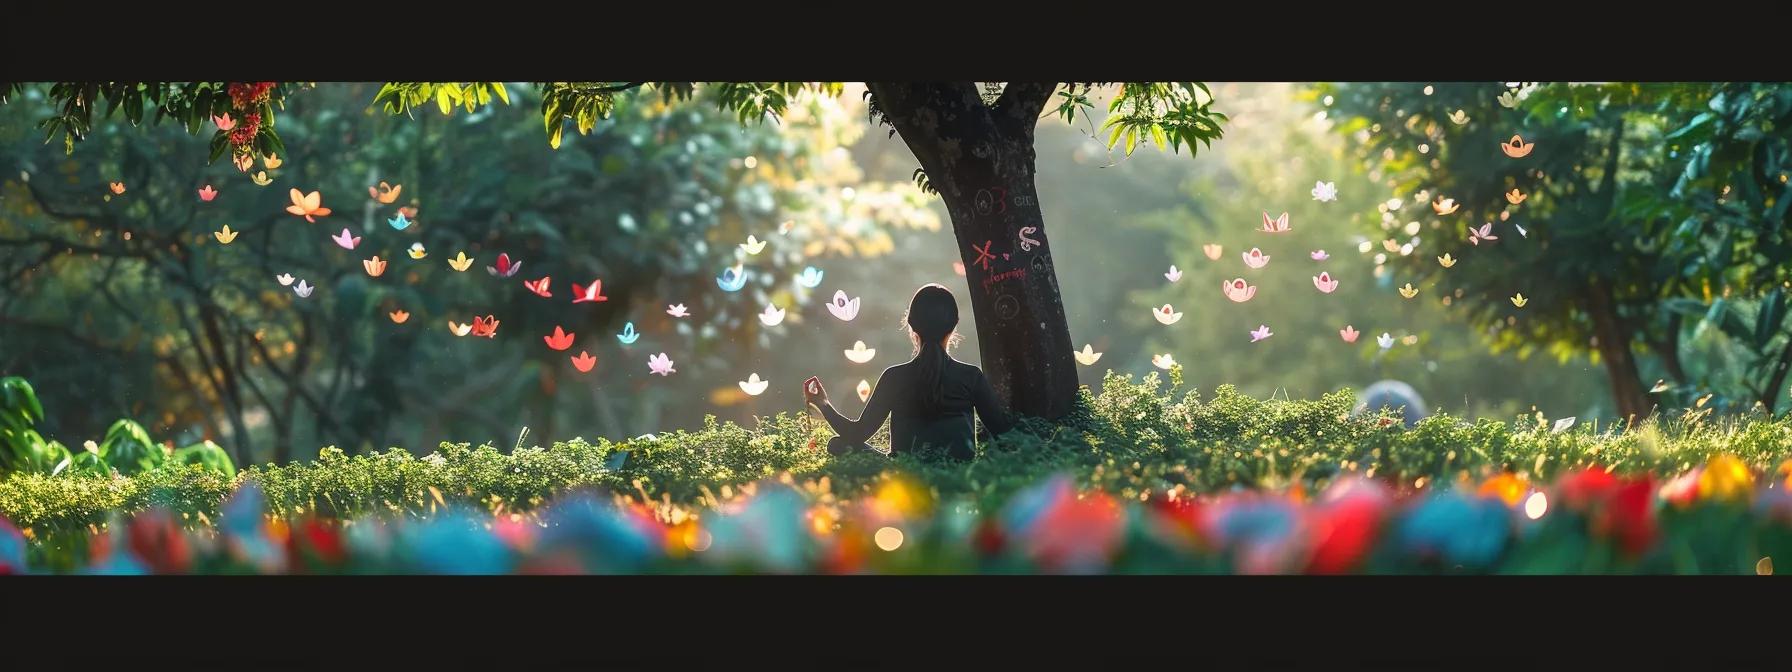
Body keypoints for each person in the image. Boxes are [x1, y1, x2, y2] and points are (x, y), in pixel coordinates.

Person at [803, 284, 1012, 460]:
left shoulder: (894, 378)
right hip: (958, 477)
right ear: (954, 324)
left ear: (911, 325)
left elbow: (857, 434)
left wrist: (823, 404)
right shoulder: (971, 376)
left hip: (903, 477)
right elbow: (1005, 436)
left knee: (838, 444)